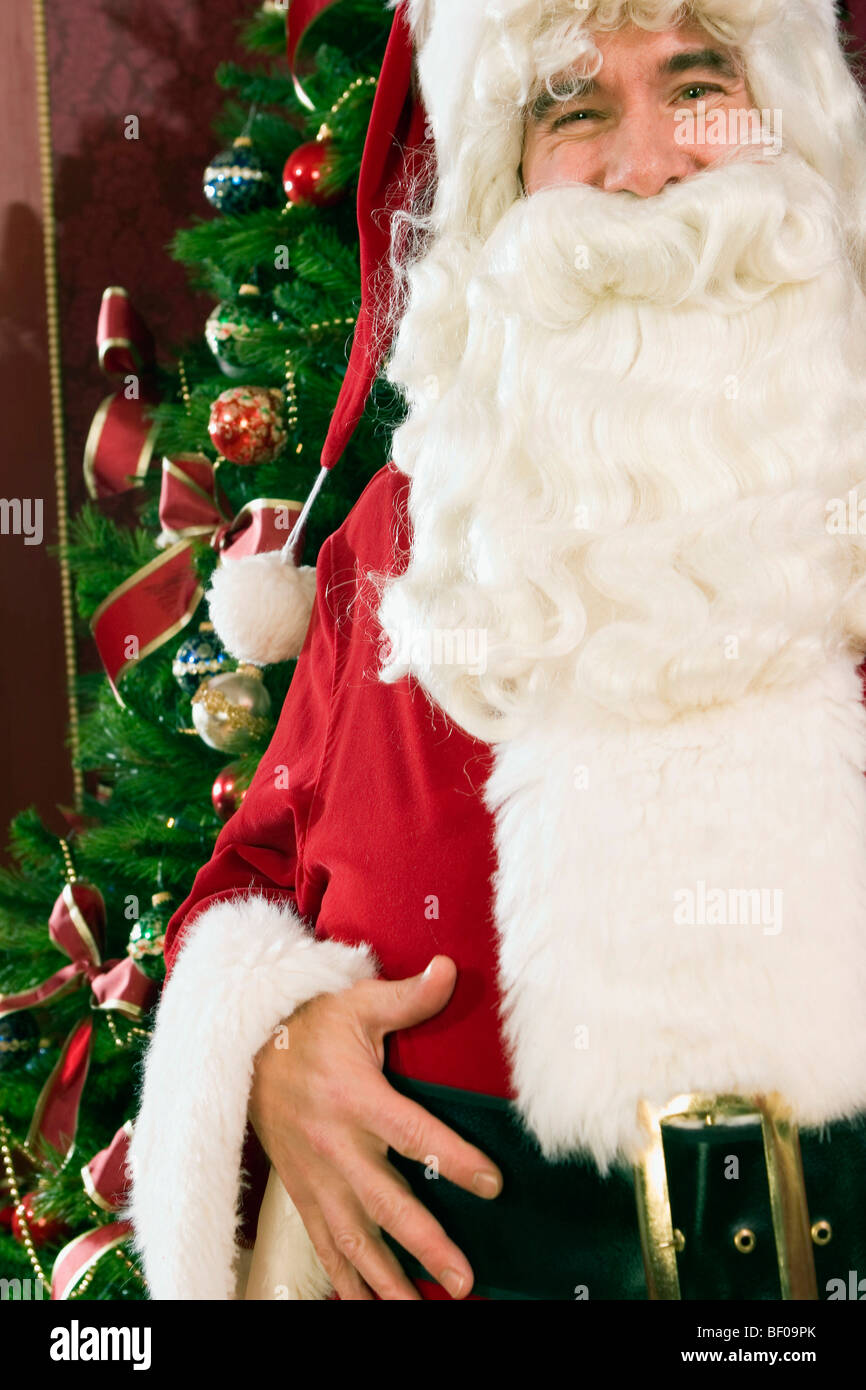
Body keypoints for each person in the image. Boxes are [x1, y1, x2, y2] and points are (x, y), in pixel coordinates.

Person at [126, 0, 866, 1301]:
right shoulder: (405, 526)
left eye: (696, 89)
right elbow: (251, 866)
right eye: (573, 108)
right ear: (504, 175)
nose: (644, 167)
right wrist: (272, 1037)